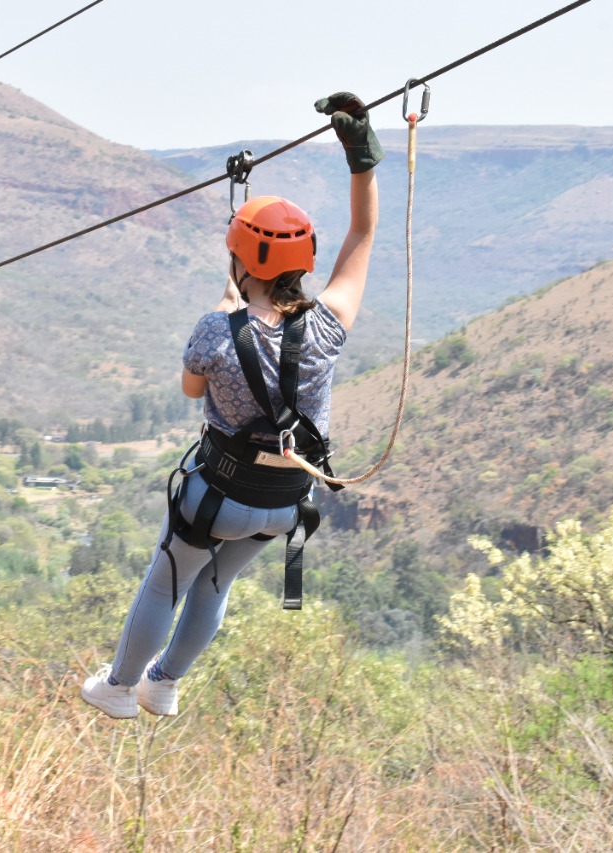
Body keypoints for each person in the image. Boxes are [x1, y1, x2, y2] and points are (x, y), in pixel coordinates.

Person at [81, 92, 383, 718]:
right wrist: (362, 159)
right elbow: (363, 233)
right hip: (283, 506)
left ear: (238, 260)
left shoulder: (213, 336)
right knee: (216, 585)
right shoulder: (329, 325)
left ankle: (118, 689)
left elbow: (194, 389)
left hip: (216, 496)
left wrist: (230, 294)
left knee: (168, 580)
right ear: (305, 262)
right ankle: (164, 685)